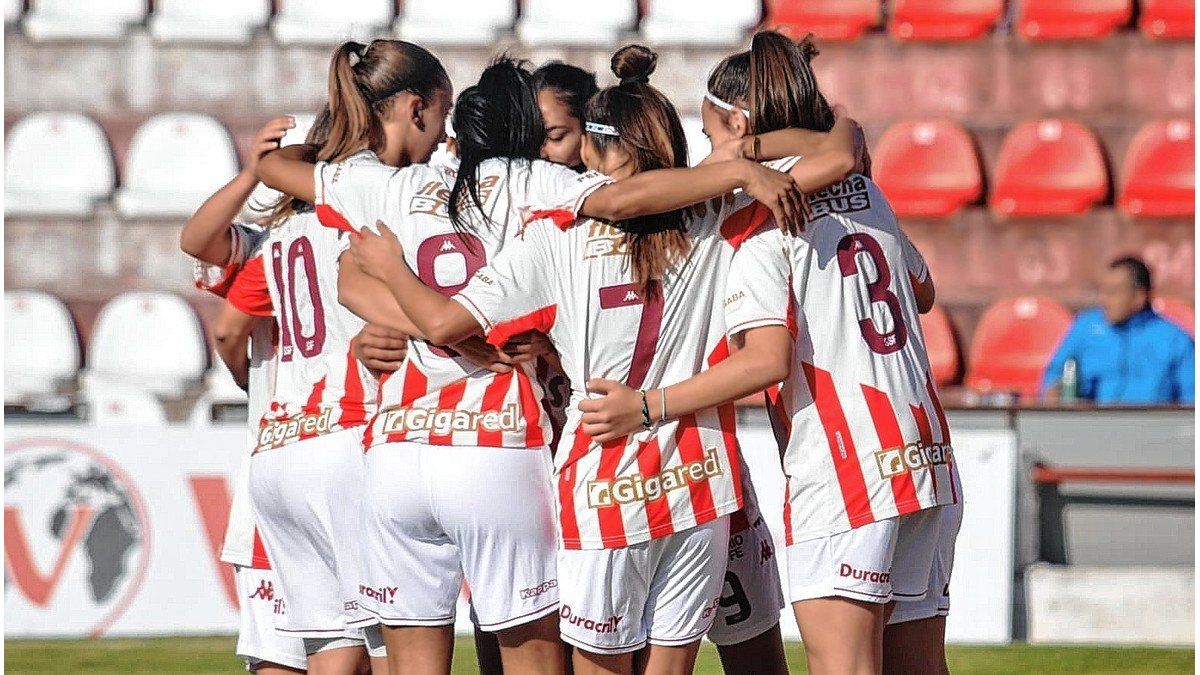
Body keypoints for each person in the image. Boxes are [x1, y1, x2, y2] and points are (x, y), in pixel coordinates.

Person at [344, 45, 861, 675]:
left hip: (602, 478)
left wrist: (392, 271)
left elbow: (442, 322)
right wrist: (747, 160)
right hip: (699, 484)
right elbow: (837, 152)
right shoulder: (717, 211)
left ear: (586, 150)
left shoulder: (555, 223)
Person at [579, 36, 963, 675]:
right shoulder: (868, 192)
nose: (709, 152)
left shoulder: (756, 222)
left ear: (736, 123)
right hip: (926, 452)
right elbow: (922, 291)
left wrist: (645, 406)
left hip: (848, 464)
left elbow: (764, 363)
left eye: (711, 133)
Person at [180, 117, 309, 675]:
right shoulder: (370, 243)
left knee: (280, 659)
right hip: (349, 466)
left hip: (278, 463)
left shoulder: (269, 252)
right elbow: (201, 242)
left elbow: (228, 329)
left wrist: (242, 372)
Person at [1042, 256, 1194, 405]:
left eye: (1113, 292)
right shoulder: (1085, 328)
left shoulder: (1176, 341)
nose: (1103, 299)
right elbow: (1053, 377)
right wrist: (1054, 392)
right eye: (1102, 291)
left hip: (1153, 426)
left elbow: (1191, 399)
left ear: (1138, 296)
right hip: (1094, 424)